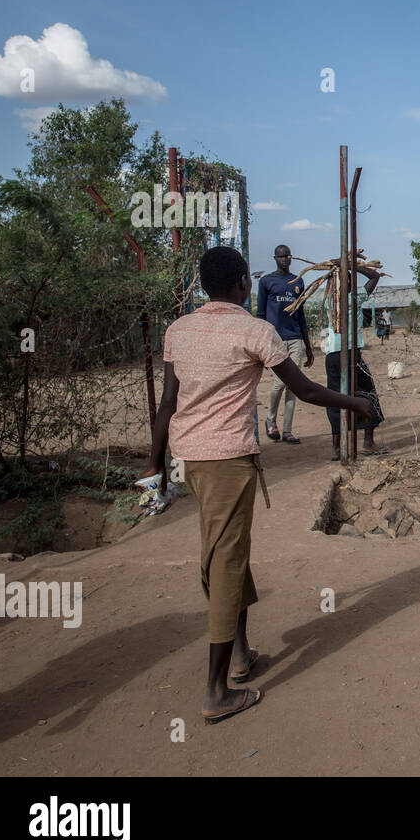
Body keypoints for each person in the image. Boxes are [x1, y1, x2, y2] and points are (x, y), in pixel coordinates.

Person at [144, 246, 374, 725]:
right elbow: (305, 390)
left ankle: (243, 653)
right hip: (228, 460)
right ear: (245, 282)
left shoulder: (179, 330)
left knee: (224, 550)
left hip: (190, 461)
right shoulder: (254, 331)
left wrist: (157, 466)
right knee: (226, 561)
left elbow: (167, 402)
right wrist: (355, 404)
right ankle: (215, 691)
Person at [322, 262, 385, 459]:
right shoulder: (353, 298)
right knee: (367, 395)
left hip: (333, 355)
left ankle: (338, 448)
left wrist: (337, 271)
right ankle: (367, 442)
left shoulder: (329, 301)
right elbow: (374, 277)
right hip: (349, 354)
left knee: (336, 398)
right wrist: (351, 265)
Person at [256, 244, 313, 444]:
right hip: (274, 339)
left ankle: (287, 430)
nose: (285, 259)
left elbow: (301, 315)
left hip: (295, 337)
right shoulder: (266, 282)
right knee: (280, 382)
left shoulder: (297, 281)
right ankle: (270, 420)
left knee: (293, 385)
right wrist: (260, 344)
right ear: (275, 258)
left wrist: (309, 346)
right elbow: (261, 314)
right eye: (281, 256)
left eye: (288, 256)